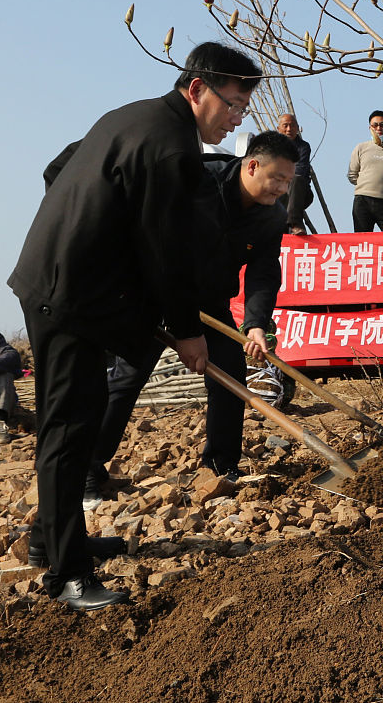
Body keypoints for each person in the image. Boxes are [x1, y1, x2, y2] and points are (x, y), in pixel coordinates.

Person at [8, 42, 261, 611]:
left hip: (64, 286)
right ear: (197, 89)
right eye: (233, 104)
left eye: (244, 109)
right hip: (70, 298)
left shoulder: (133, 116)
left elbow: (60, 168)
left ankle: (53, 538)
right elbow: (164, 252)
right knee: (69, 427)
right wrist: (186, 332)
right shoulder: (169, 147)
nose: (237, 117)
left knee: (78, 415)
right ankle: (68, 576)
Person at [77, 130, 296, 515]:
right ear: (252, 165)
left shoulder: (272, 215)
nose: (281, 189)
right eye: (276, 179)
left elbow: (264, 272)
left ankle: (220, 466)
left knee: (230, 372)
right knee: (127, 378)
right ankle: (88, 470)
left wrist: (257, 324)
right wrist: (179, 328)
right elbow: (152, 240)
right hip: (153, 293)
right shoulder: (197, 182)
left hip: (209, 301)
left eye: (288, 182)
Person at [276, 112, 313, 235]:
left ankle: (294, 223)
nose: (288, 129)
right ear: (278, 129)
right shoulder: (270, 147)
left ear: (297, 128)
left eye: (292, 126)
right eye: (285, 125)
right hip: (276, 190)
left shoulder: (303, 147)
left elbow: (300, 171)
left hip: (299, 192)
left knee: (296, 179)